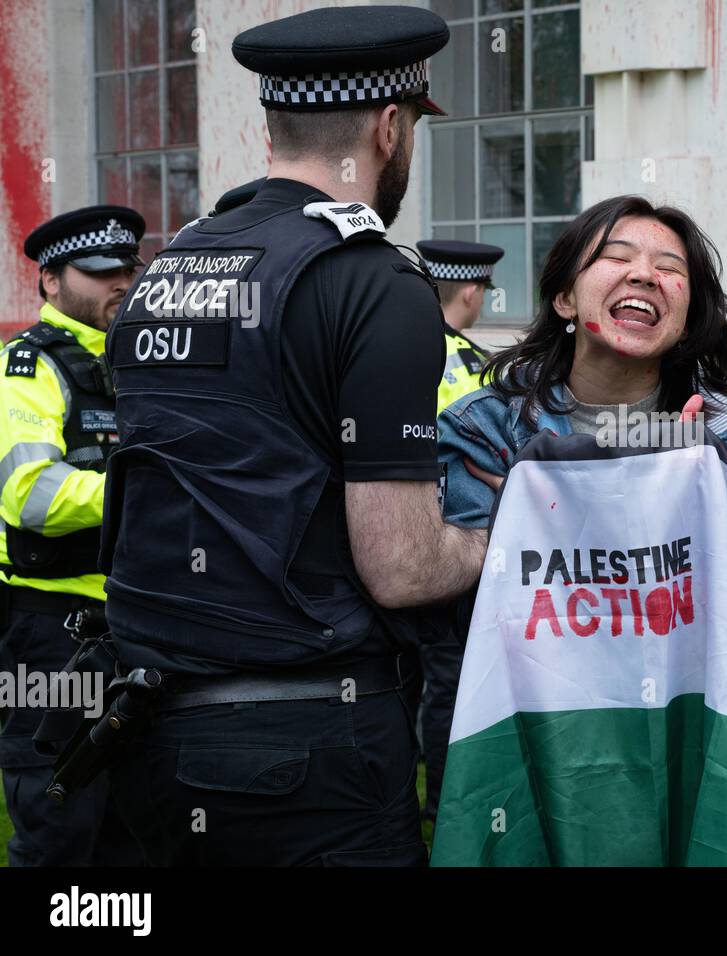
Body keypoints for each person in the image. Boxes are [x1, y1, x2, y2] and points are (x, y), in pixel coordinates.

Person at [100, 5, 485, 866]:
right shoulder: (374, 282)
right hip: (307, 755)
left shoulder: (167, 270)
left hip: (151, 730)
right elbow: (402, 565)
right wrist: (500, 537)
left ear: (270, 125)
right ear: (390, 128)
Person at [437, 194, 727, 536]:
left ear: (686, 321)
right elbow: (479, 580)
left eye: (668, 267)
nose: (644, 274)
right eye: (617, 256)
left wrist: (554, 517)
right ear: (565, 299)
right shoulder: (487, 429)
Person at [0, 205, 146, 866]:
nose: (120, 281)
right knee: (58, 818)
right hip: (51, 632)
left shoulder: (137, 363)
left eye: (126, 268)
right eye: (100, 271)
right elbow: (29, 495)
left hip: (134, 623)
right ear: (51, 281)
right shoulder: (26, 368)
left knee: (135, 824)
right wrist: (142, 491)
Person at [414, 237, 504, 821]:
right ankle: (450, 812)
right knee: (455, 681)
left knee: (425, 681)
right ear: (470, 291)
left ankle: (430, 807)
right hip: (466, 548)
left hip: (404, 543)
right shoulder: (475, 366)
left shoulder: (403, 348)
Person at [418, 239, 504, 413]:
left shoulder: (409, 338)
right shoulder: (469, 365)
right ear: (470, 294)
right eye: (483, 291)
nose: (482, 302)